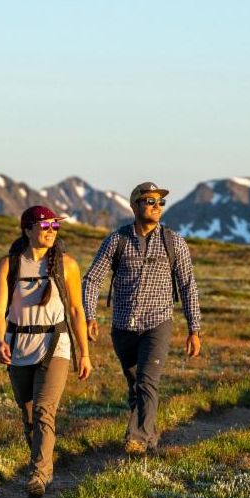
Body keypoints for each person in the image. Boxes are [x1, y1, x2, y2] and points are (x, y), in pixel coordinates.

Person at [83, 181, 202, 455]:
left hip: (158, 323)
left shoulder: (175, 243)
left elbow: (187, 286)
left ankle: (136, 439)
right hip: (123, 325)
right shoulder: (117, 240)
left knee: (148, 381)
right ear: (134, 205)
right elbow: (92, 280)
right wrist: (90, 315)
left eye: (161, 202)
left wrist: (194, 329)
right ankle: (148, 438)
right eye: (150, 201)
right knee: (136, 385)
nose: (157, 206)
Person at [0, 205, 92, 498]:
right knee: (30, 415)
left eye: (55, 227)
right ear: (27, 229)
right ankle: (43, 468)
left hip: (55, 345)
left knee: (45, 411)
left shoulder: (67, 264)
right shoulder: (9, 265)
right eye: (45, 226)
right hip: (18, 345)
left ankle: (37, 475)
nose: (51, 231)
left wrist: (83, 353)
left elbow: (76, 310)